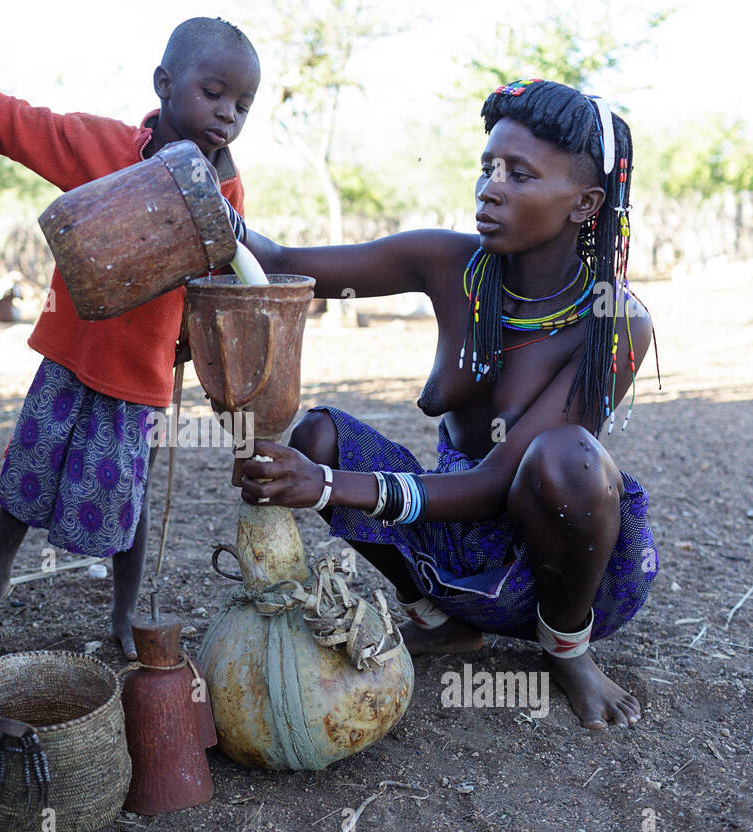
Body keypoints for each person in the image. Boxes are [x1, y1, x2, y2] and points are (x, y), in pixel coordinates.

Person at [239, 79, 658, 729]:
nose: (490, 187)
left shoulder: (614, 321)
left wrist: (327, 486)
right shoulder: (446, 264)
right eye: (488, 168)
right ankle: (437, 622)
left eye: (519, 174)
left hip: (551, 554)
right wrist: (200, 184)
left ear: (585, 203)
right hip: (448, 536)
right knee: (317, 435)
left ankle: (565, 648)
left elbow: (499, 482)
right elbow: (281, 261)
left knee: (569, 457)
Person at [0, 18, 261, 659]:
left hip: (141, 377)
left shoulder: (227, 194)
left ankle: (123, 613)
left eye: (242, 106)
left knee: (128, 501)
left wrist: (199, 347)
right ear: (165, 84)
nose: (226, 114)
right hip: (70, 356)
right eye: (214, 92)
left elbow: (224, 282)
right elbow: (21, 124)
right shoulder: (105, 149)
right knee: (29, 472)